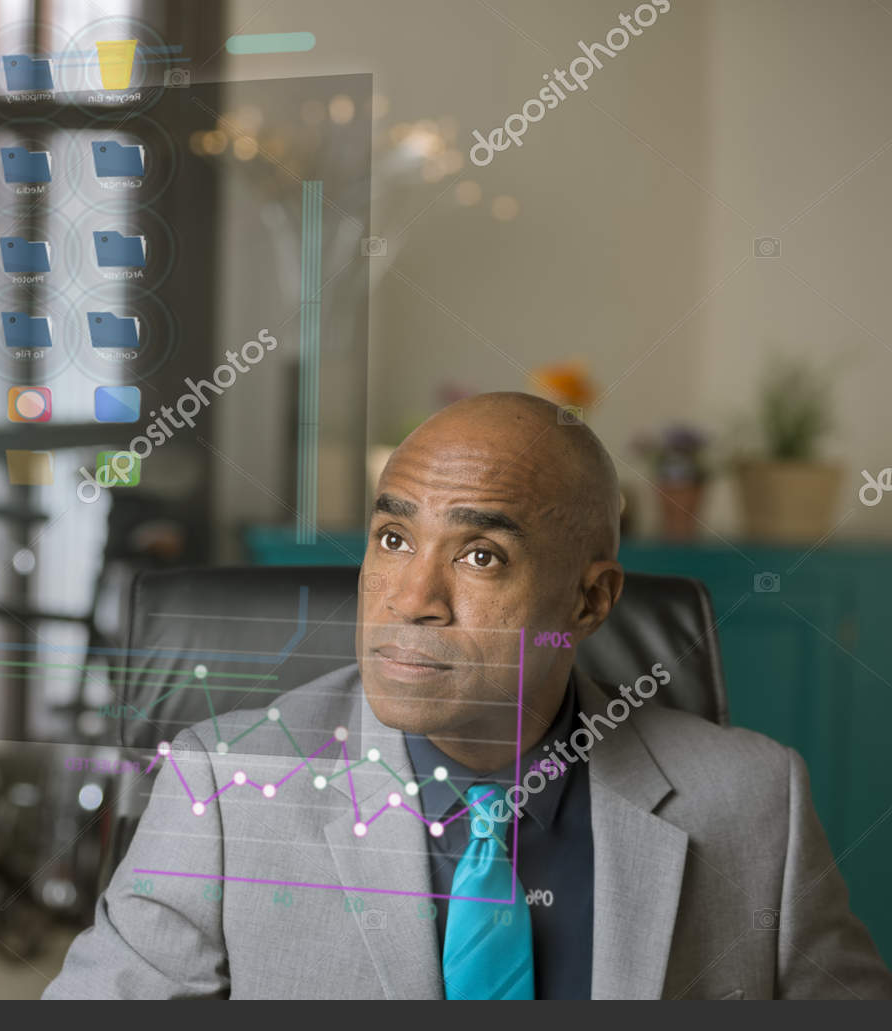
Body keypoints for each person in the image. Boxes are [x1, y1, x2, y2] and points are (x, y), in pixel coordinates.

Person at [44, 392, 892, 999]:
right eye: (392, 538)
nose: (412, 600)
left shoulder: (754, 800)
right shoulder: (225, 787)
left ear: (589, 601)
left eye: (481, 556)